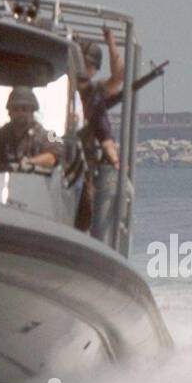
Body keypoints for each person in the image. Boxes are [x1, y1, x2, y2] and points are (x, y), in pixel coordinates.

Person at [75, 27, 125, 238]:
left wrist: (111, 42)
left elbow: (118, 77)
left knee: (85, 208)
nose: (81, 70)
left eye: (87, 66)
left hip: (81, 163)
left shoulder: (93, 94)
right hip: (54, 149)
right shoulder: (55, 85)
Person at [0, 87, 63, 175]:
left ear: (32, 111)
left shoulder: (48, 136)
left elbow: (53, 157)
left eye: (24, 109)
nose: (20, 113)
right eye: (15, 109)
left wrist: (29, 162)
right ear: (9, 112)